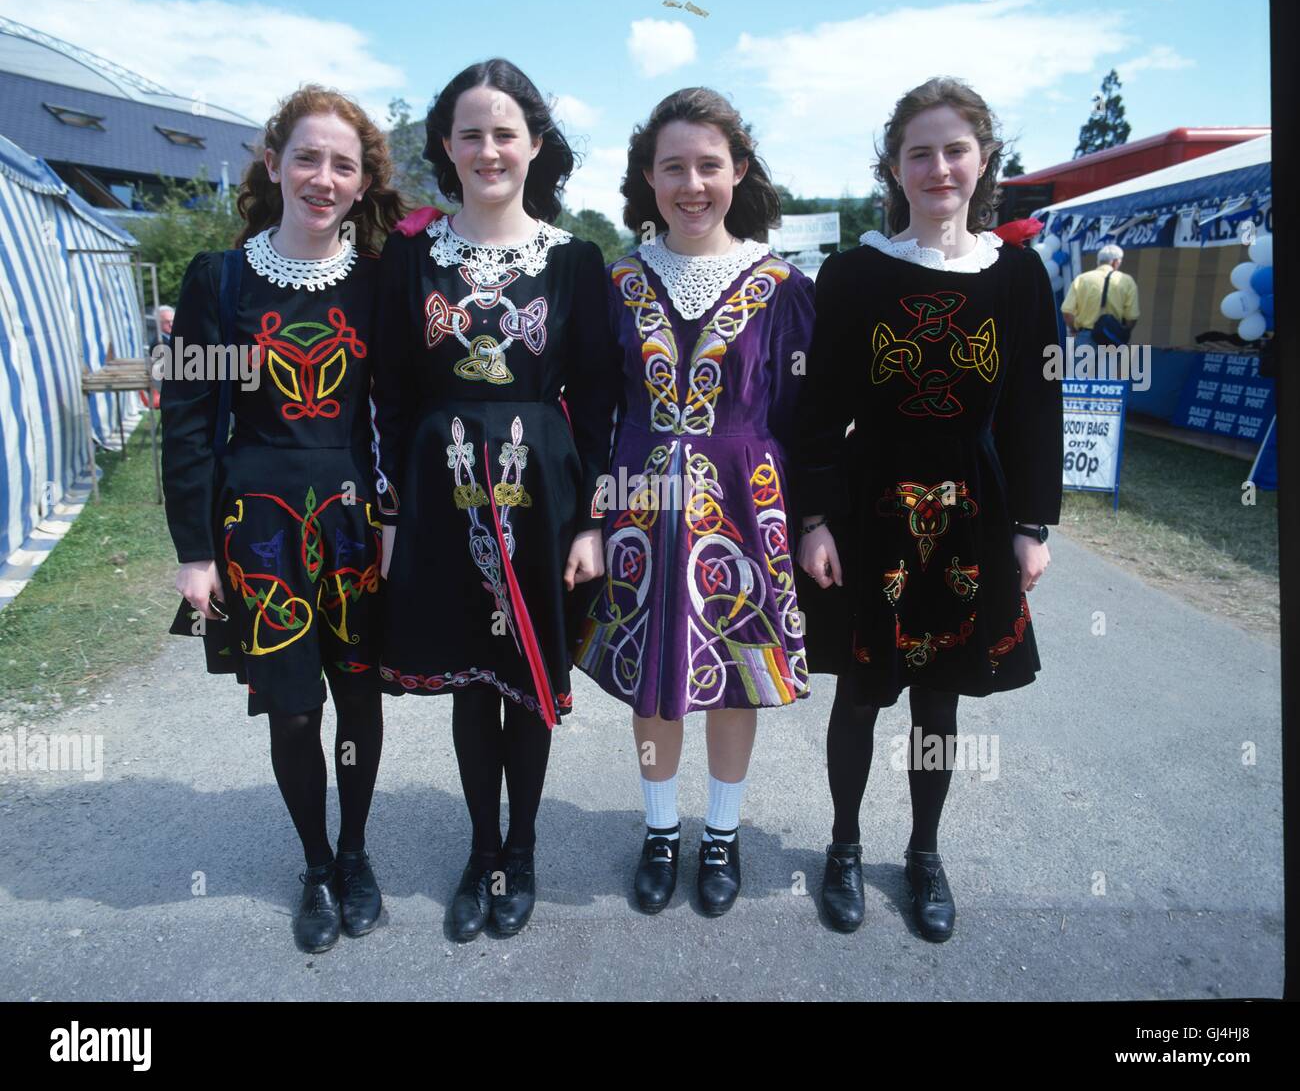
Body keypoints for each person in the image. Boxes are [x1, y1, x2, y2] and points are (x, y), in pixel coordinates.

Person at [795, 77, 1062, 941]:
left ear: (983, 160)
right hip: (869, 508)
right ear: (895, 167)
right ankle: (843, 846)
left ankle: (924, 852)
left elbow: (1035, 409)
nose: (938, 167)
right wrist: (814, 519)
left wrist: (1032, 525)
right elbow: (816, 411)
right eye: (920, 152)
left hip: (971, 512)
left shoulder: (1018, 276)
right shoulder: (853, 273)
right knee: (860, 694)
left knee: (939, 701)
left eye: (955, 150)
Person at [370, 59, 617, 942]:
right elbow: (388, 394)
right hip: (441, 496)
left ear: (535, 144)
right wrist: (391, 514)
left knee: (526, 678)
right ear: (446, 144)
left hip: (540, 495)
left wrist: (592, 521)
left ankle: (524, 847)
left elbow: (600, 402)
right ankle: (482, 850)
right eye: (470, 133)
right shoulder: (410, 258)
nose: (488, 150)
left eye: (505, 133)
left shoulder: (575, 260)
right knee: (470, 683)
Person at [161, 85, 404, 953]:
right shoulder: (217, 280)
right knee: (294, 710)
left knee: (358, 698)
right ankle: (315, 863)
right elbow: (188, 419)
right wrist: (194, 552)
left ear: (362, 182)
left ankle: (355, 852)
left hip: (353, 525)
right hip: (255, 528)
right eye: (307, 157)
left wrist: (397, 519)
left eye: (343, 164)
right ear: (273, 163)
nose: (322, 177)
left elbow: (399, 412)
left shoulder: (379, 284)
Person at [575, 88, 814, 917]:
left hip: (745, 507)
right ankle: (659, 829)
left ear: (737, 170)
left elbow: (804, 418)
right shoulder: (616, 281)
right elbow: (594, 411)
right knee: (653, 678)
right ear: (648, 176)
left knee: (736, 677)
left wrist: (810, 520)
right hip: (641, 510)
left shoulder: (783, 285)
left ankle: (721, 832)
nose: (692, 183)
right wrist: (593, 519)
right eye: (672, 166)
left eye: (709, 164)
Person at [1061, 243, 1140, 347]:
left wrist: (1074, 329)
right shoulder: (1127, 281)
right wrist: (1123, 333)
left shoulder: (1082, 279)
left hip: (1085, 338)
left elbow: (1067, 312)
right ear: (1115, 262)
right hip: (1112, 337)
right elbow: (1132, 317)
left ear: (1098, 261)